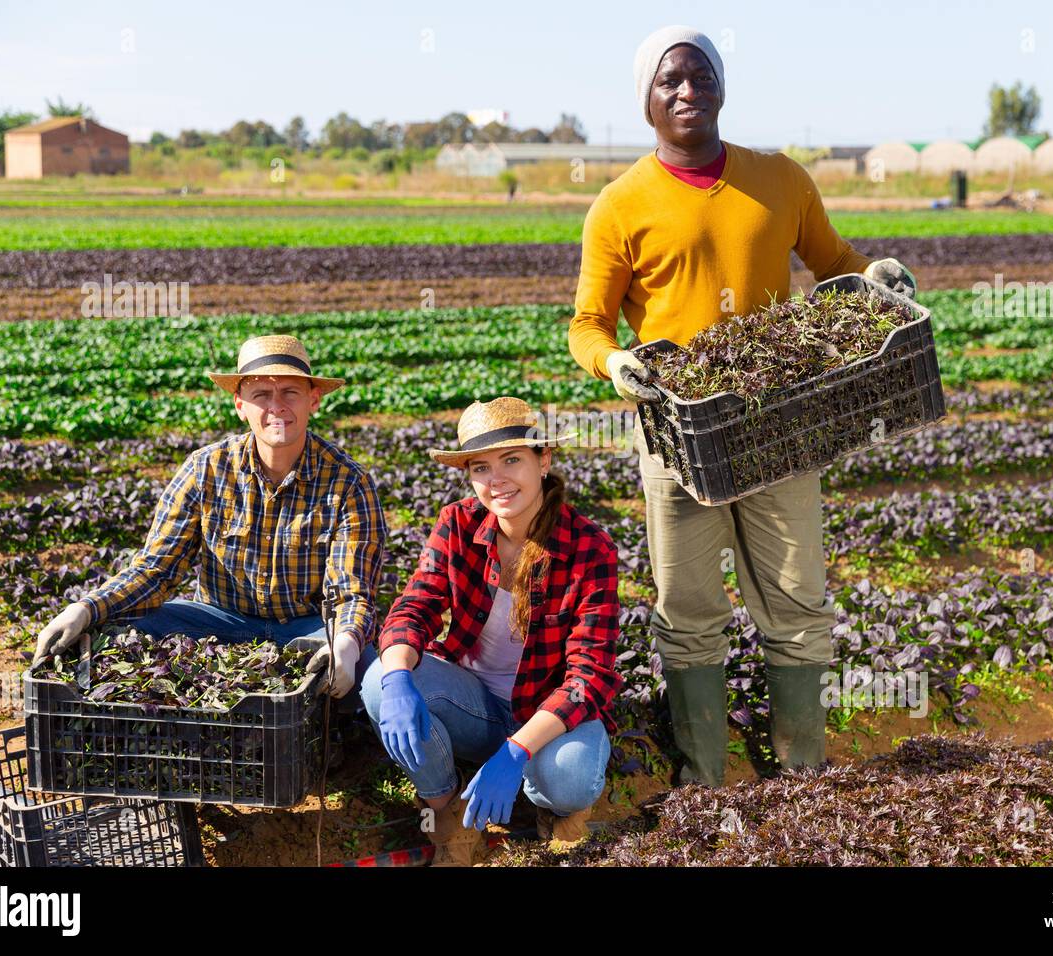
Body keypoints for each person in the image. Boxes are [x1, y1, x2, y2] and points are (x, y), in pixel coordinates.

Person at [568, 25, 920, 787]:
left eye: (700, 76)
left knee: (796, 596)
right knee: (688, 605)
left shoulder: (781, 180)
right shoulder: (620, 204)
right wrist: (617, 362)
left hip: (782, 422)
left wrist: (878, 270)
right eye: (671, 82)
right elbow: (587, 324)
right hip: (680, 434)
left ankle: (802, 771)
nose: (688, 91)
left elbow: (836, 264)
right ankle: (703, 778)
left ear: (722, 86)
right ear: (647, 102)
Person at [33, 334, 389, 703]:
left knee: (359, 664)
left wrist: (344, 643)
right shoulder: (206, 469)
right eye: (261, 395)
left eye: (289, 393)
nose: (276, 407)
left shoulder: (348, 483)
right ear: (240, 405)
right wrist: (85, 608)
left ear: (313, 400)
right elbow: (156, 569)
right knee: (114, 629)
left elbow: (351, 592)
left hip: (304, 628)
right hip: (217, 622)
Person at [361, 397, 621, 866]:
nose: (497, 479)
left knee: (569, 778)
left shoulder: (588, 547)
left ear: (544, 460)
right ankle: (445, 809)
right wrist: (398, 677)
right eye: (481, 467)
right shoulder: (458, 523)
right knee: (382, 676)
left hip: (548, 713)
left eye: (512, 460)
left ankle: (559, 812)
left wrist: (516, 750)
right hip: (475, 706)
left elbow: (590, 675)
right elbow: (415, 607)